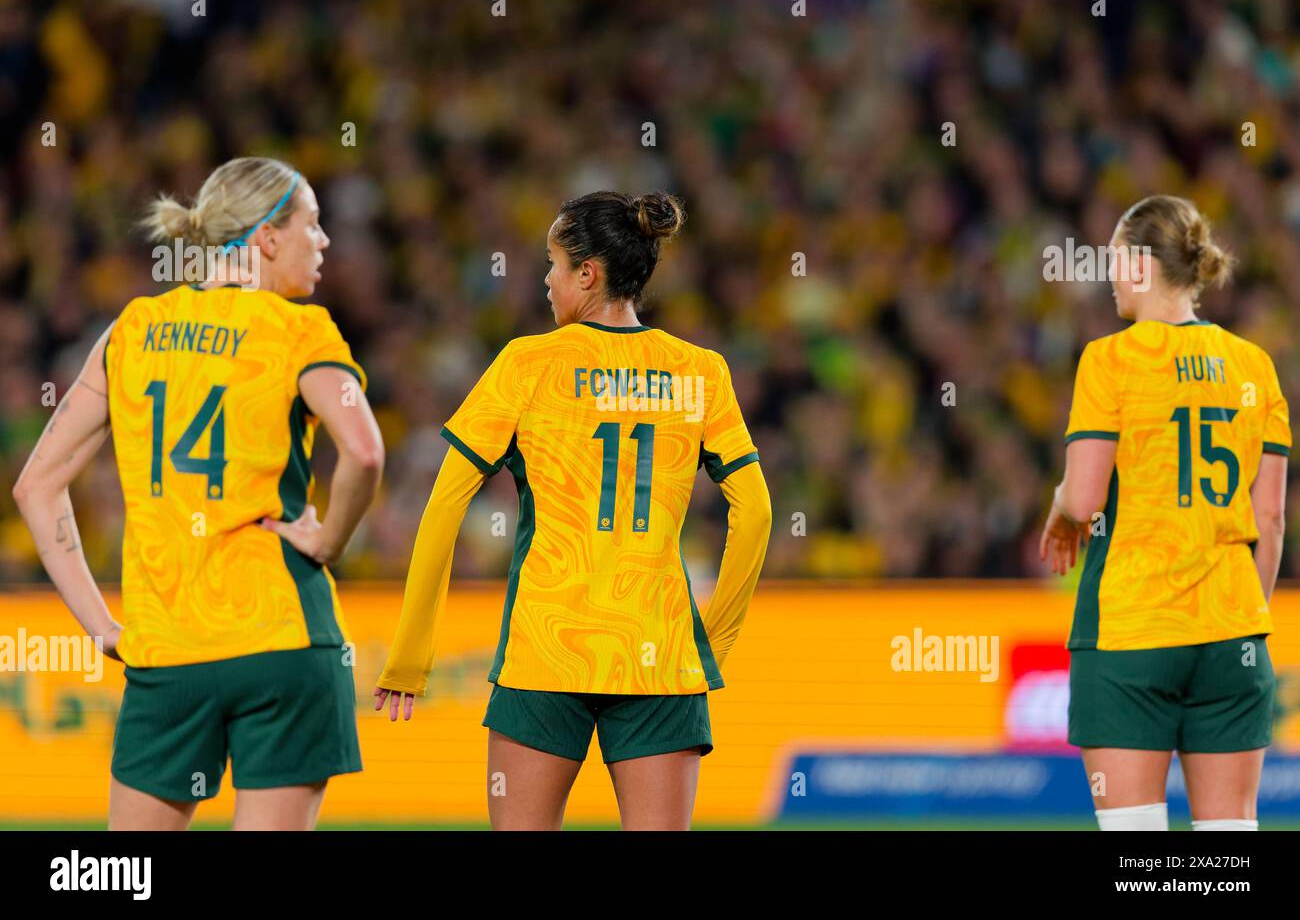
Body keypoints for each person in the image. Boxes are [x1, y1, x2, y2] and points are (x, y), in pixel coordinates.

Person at [375, 191, 772, 830]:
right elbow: (754, 512)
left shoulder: (526, 365)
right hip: (659, 657)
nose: (545, 279)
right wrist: (711, 645)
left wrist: (411, 654)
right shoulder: (700, 372)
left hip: (545, 649)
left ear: (588, 274)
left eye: (554, 264)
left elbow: (445, 505)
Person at [12, 157, 384, 830]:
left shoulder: (133, 329)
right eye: (313, 223)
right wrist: (328, 540)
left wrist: (102, 628)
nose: (324, 241)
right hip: (281, 638)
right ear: (268, 237)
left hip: (168, 649)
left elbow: (36, 485)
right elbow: (363, 450)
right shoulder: (300, 331)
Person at [1041, 195, 1289, 831]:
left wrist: (1060, 507)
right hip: (1231, 633)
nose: (1109, 275)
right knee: (1227, 853)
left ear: (1141, 266)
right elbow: (1272, 520)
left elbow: (1086, 497)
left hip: (1132, 630)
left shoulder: (1110, 358)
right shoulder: (1254, 366)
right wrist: (1242, 626)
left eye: (1114, 260)